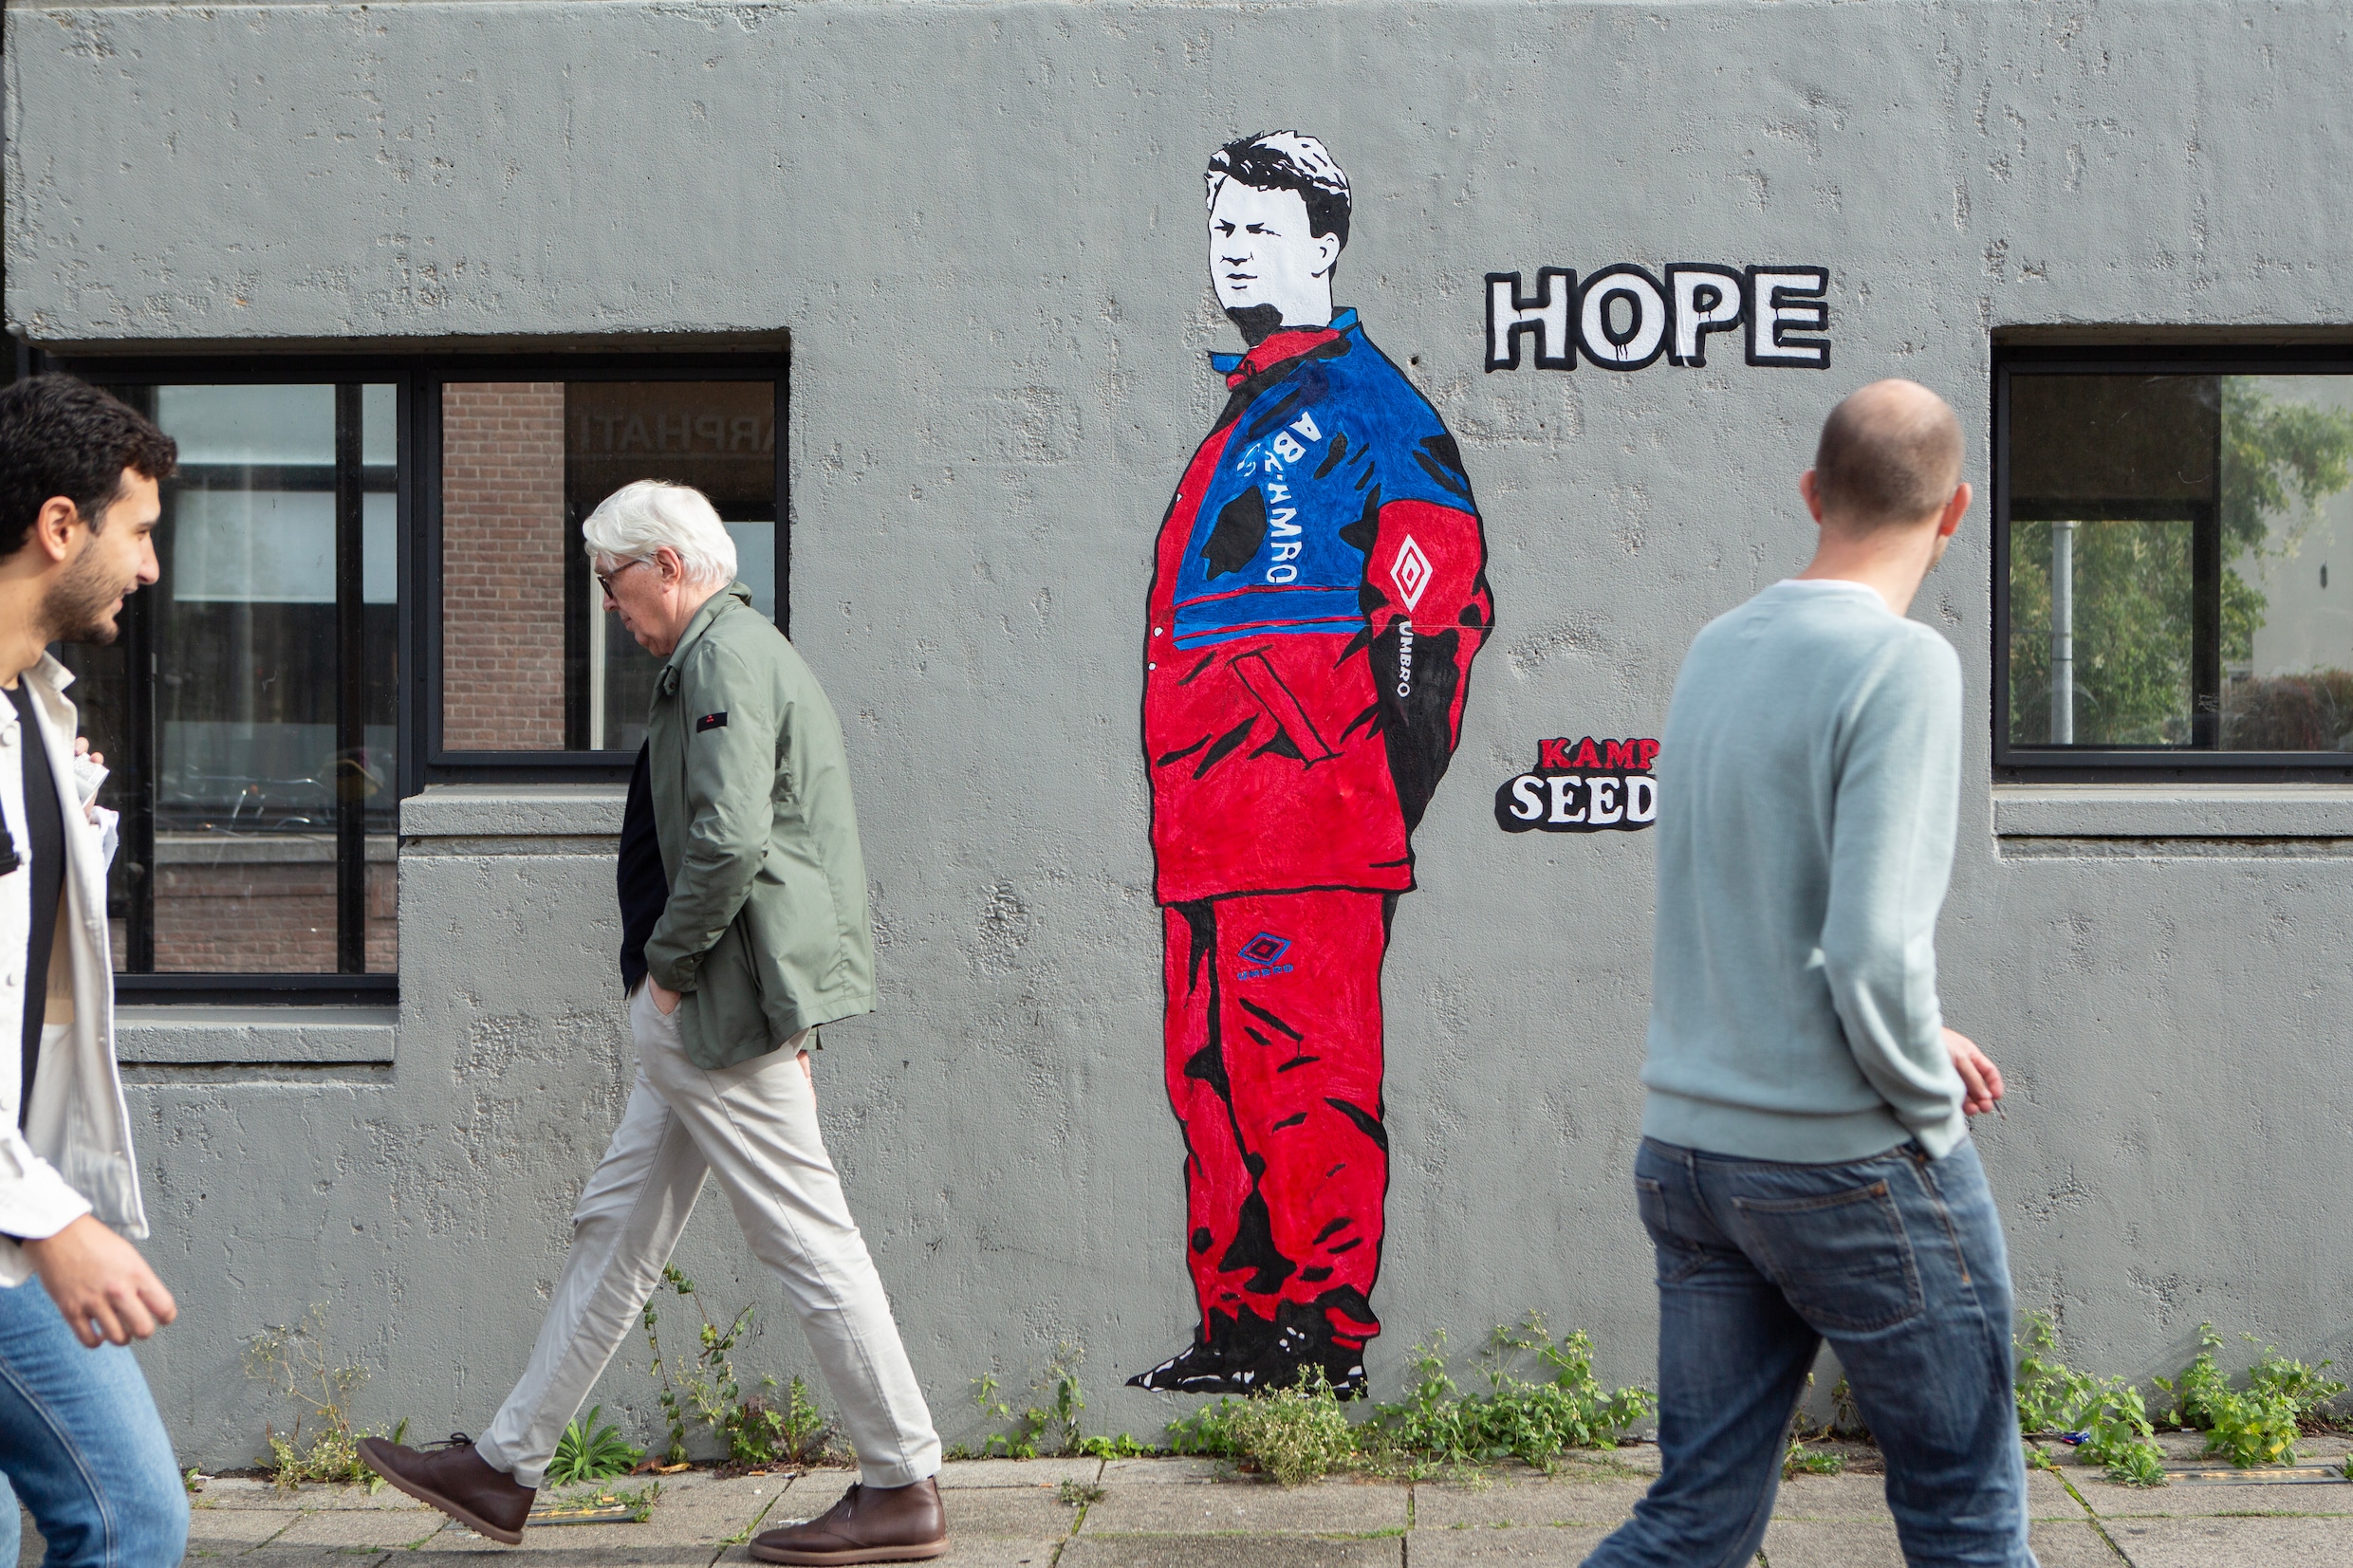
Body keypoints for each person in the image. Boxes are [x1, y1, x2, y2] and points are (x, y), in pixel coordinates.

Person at [361, 480, 948, 1566]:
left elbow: (731, 839)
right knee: (617, 1231)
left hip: (711, 1008)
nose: (608, 605)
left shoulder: (723, 659)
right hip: (717, 1008)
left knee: (806, 1237)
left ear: (666, 566)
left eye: (611, 580)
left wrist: (669, 978)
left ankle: (902, 1481)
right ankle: (503, 1468)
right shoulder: (728, 655)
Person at [1584, 380, 2030, 1568]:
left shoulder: (1716, 647)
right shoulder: (1903, 664)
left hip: (1690, 1157)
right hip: (1843, 1166)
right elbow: (1872, 947)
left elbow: (1752, 896)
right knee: (1965, 1515)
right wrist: (1923, 1105)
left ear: (1809, 494)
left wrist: (1914, 1026)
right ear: (1955, 513)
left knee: (1690, 1526)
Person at [1129, 131, 1492, 1399]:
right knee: (1210, 1080)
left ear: (1325, 245)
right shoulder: (1252, 409)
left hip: (1305, 821)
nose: (1234, 249)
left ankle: (1320, 1335)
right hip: (1206, 825)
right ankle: (1239, 1325)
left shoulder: (1370, 411)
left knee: (1303, 1079)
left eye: (1262, 228)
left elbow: (1432, 615)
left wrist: (1364, 783)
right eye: (1222, 227)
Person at [0, 374, 188, 1568]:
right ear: (61, 525)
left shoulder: (35, 708)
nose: (151, 567)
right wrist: (52, 1223)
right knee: (128, 1517)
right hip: (16, 1221)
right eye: (141, 531)